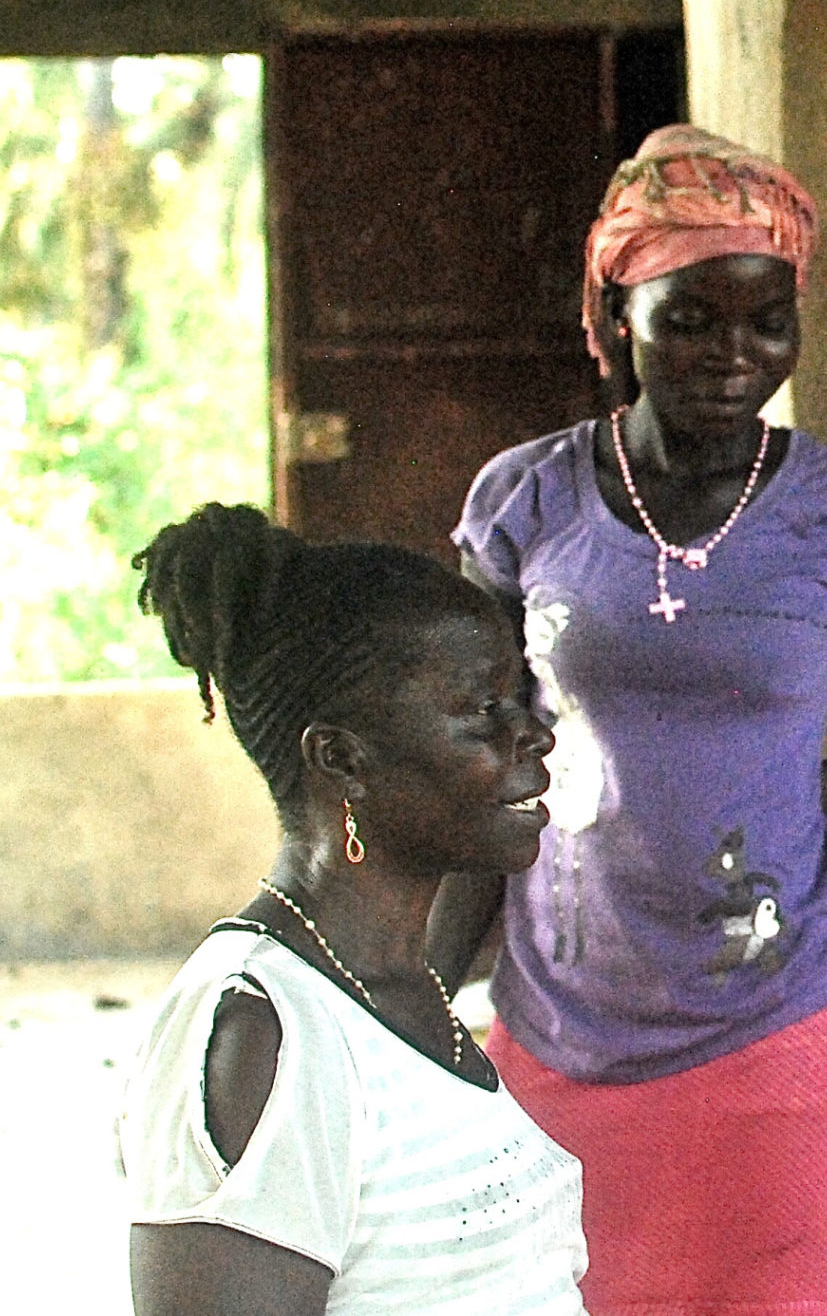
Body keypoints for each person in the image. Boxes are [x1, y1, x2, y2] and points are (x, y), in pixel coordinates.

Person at [440, 124, 827, 1316]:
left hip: (774, 1019)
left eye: (769, 322)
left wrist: (814, 791)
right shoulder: (529, 498)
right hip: (556, 1017)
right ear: (621, 313)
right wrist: (406, 989)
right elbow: (477, 766)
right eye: (692, 320)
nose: (735, 355)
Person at [118, 503, 585, 1315]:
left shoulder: (399, 987)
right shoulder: (261, 1030)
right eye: (483, 709)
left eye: (520, 699)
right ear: (341, 758)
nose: (533, 736)